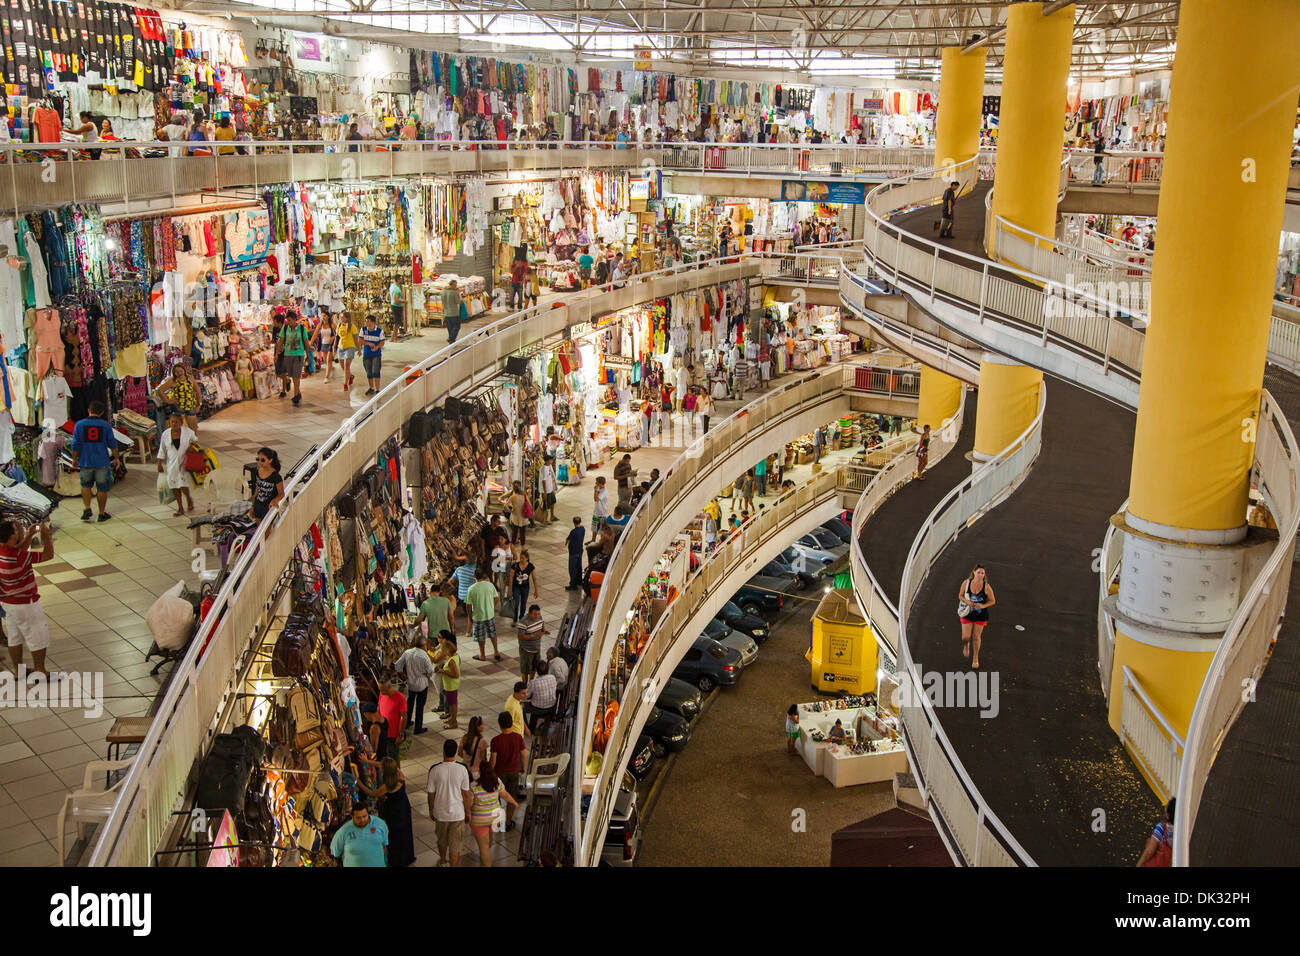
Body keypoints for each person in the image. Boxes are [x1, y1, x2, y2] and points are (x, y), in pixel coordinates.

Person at [0, 519, 54, 679]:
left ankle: (19, 671)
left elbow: (16, 549)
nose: (18, 532)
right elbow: (48, 555)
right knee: (37, 635)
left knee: (15, 637)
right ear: (11, 536)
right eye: (16, 531)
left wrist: (29, 535)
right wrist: (46, 536)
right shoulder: (18, 556)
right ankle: (40, 671)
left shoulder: (4, 552)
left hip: (8, 602)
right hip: (26, 603)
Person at [356, 757, 414, 867]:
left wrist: (360, 784)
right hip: (404, 808)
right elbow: (381, 764)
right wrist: (367, 761)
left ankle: (397, 860)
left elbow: (372, 794)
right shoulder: (399, 775)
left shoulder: (386, 787)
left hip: (394, 812)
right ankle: (407, 856)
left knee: (394, 836)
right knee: (405, 833)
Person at [425, 738, 472, 867]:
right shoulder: (462, 769)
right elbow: (466, 793)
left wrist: (431, 809)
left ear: (443, 751)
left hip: (440, 813)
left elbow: (430, 793)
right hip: (457, 813)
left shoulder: (434, 770)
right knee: (455, 844)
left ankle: (442, 861)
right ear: (456, 752)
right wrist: (468, 811)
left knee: (442, 840)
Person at [72, 401, 119, 523]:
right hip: (102, 462)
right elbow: (112, 444)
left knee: (85, 486)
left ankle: (87, 508)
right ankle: (101, 513)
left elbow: (75, 444)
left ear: (89, 410)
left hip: (85, 461)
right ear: (102, 412)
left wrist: (74, 459)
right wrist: (117, 458)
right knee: (102, 488)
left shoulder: (79, 425)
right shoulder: (105, 426)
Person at [469, 764, 518, 866]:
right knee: (489, 840)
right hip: (495, 818)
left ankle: (486, 863)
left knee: (484, 847)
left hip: (480, 820)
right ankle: (488, 844)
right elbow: (505, 794)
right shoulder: (497, 782)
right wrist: (514, 802)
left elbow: (469, 804)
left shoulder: (474, 786)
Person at [156, 413, 197, 517]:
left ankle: (188, 498)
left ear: (181, 423)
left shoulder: (188, 432)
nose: (174, 424)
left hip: (184, 462)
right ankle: (180, 507)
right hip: (172, 464)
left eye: (176, 422)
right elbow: (162, 449)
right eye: (172, 422)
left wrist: (192, 447)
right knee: (174, 485)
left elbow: (195, 441)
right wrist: (159, 463)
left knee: (183, 484)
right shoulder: (165, 434)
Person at [395, 635, 436, 735]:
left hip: (411, 684)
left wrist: (402, 676)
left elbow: (397, 665)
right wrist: (427, 675)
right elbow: (431, 671)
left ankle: (407, 722)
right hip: (422, 685)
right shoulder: (424, 656)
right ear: (424, 644)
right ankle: (418, 728)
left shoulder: (407, 652)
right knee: (420, 706)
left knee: (410, 704)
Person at [957, 565, 996, 669]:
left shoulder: (986, 587)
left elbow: (993, 601)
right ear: (974, 573)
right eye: (978, 572)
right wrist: (967, 602)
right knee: (965, 637)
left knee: (976, 636)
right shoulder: (966, 583)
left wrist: (983, 605)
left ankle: (975, 658)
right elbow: (960, 595)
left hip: (980, 614)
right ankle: (966, 645)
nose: (980, 575)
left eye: (982, 573)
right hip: (967, 612)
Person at [490, 709, 527, 807]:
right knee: (512, 796)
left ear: (500, 724)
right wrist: (523, 768)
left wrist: (491, 771)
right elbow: (523, 755)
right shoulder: (518, 737)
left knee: (497, 795)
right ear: (511, 723)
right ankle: (509, 821)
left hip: (499, 772)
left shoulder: (495, 740)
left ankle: (497, 816)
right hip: (513, 771)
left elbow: (493, 760)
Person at [466, 567, 501, 663]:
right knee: (492, 633)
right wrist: (491, 607)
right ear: (484, 576)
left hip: (478, 616)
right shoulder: (490, 585)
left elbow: (468, 605)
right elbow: (497, 598)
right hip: (489, 614)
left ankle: (482, 655)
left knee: (480, 636)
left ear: (474, 576)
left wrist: (470, 616)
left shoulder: (471, 589)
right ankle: (496, 652)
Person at [278, 309, 310, 405]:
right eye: (287, 320)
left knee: (296, 376)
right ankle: (298, 393)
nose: (288, 322)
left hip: (298, 355)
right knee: (292, 375)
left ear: (295, 320)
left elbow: (306, 342)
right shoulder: (285, 328)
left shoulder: (301, 328)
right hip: (288, 355)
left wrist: (308, 355)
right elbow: (280, 340)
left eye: (290, 320)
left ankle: (296, 395)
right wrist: (276, 353)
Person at [375, 672, 407, 759]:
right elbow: (379, 708)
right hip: (384, 732)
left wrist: (400, 735)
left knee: (394, 758)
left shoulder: (400, 698)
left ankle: (397, 772)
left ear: (389, 687)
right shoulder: (382, 694)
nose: (381, 692)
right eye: (380, 690)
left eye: (383, 690)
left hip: (393, 735)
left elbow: (404, 717)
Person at [1137, 799, 1176, 867]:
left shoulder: (1161, 828)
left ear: (1168, 815)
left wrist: (1139, 864)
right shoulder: (1182, 830)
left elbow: (1150, 851)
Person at [435, 630, 462, 729]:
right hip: (451, 685)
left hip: (451, 686)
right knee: (452, 704)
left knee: (453, 705)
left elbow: (456, 674)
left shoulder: (451, 661)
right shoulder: (455, 656)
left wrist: (443, 671)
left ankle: (454, 723)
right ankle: (452, 719)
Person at [516, 602, 548, 682]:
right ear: (529, 613)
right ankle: (524, 685)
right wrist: (534, 635)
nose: (537, 616)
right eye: (534, 614)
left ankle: (531, 683)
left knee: (534, 668)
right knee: (525, 670)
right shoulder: (523, 622)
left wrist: (544, 631)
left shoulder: (539, 617)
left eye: (538, 614)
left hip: (536, 649)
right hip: (526, 650)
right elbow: (520, 636)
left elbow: (541, 625)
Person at [251, 447, 285, 521]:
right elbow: (257, 489)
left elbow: (281, 493)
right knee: (259, 530)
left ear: (270, 460)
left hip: (268, 507)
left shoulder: (276, 476)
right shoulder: (258, 471)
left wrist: (275, 500)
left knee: (266, 531)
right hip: (258, 505)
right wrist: (252, 506)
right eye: (258, 459)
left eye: (263, 460)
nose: (259, 462)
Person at [525, 658, 557, 731]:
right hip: (552, 705)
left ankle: (529, 729)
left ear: (537, 671)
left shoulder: (533, 682)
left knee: (521, 707)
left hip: (537, 708)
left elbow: (527, 696)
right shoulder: (552, 678)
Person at [358, 313, 385, 395]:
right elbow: (360, 340)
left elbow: (382, 342)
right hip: (366, 355)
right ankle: (371, 387)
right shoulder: (363, 330)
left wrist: (377, 347)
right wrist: (368, 343)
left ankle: (377, 389)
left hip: (376, 355)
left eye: (368, 321)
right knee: (369, 372)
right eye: (366, 321)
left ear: (373, 322)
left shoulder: (379, 331)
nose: (367, 323)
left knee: (376, 372)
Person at [510, 549, 539, 625]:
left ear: (527, 558)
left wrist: (536, 590)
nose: (521, 559)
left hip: (525, 588)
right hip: (516, 587)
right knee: (515, 604)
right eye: (520, 557)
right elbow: (511, 578)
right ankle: (515, 618)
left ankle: (521, 618)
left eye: (523, 558)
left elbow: (534, 578)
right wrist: (510, 590)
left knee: (523, 604)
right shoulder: (515, 565)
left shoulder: (530, 566)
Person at [458, 715, 490, 782]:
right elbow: (483, 759)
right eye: (482, 724)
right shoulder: (482, 741)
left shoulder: (464, 738)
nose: (483, 726)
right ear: (477, 727)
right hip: (476, 772)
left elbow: (460, 753)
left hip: (465, 770)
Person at [334, 313, 359, 391]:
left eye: (342, 317)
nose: (341, 319)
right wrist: (334, 347)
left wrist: (359, 349)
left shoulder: (352, 327)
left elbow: (356, 338)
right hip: (341, 347)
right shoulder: (339, 326)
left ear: (347, 318)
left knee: (346, 365)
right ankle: (350, 376)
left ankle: (345, 383)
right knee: (342, 366)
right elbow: (337, 337)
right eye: (340, 317)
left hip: (350, 347)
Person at [308, 315, 336, 382]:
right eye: (322, 316)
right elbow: (315, 334)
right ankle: (330, 368)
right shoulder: (320, 325)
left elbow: (338, 333)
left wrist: (333, 338)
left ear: (328, 316)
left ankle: (326, 377)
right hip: (323, 344)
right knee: (325, 360)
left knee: (328, 360)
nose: (323, 317)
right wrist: (310, 344)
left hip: (330, 344)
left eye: (325, 316)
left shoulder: (332, 324)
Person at [565, 516, 586, 590]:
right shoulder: (583, 529)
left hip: (573, 552)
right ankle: (579, 581)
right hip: (580, 551)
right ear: (580, 521)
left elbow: (568, 540)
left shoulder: (573, 532)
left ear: (573, 522)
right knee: (579, 567)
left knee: (572, 569)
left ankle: (573, 585)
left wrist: (567, 541)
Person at [507, 480, 530, 545]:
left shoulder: (512, 497)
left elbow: (506, 506)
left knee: (514, 532)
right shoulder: (524, 495)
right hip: (523, 517)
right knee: (522, 533)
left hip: (515, 517)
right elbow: (529, 505)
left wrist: (510, 510)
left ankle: (512, 547)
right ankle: (523, 548)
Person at [441, 279, 462, 344]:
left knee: (450, 328)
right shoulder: (454, 292)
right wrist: (459, 295)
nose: (456, 287)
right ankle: (451, 338)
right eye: (455, 285)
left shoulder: (443, 292)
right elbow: (458, 301)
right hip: (454, 313)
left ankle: (451, 340)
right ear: (452, 285)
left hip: (446, 313)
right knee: (457, 326)